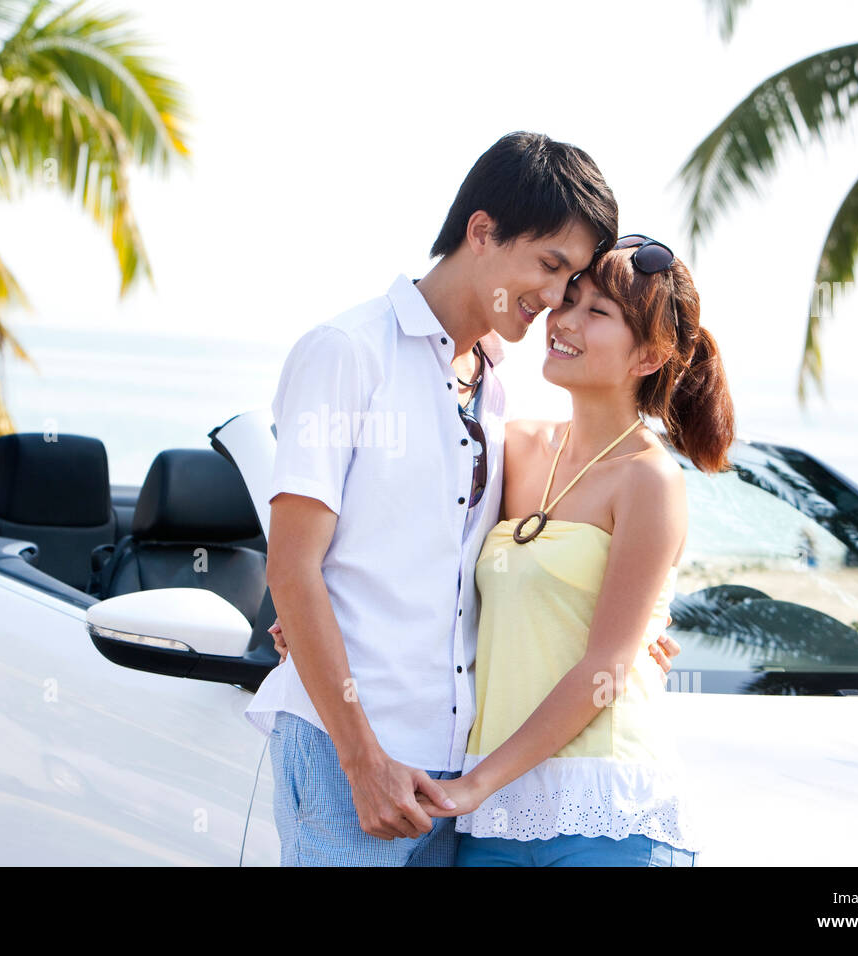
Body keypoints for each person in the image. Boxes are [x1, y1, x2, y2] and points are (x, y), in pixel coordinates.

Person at [244, 132, 682, 867]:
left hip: (463, 781)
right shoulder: (349, 352)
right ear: (482, 232)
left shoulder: (495, 390)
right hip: (350, 756)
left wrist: (640, 625)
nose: (554, 302)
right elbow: (292, 569)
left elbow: (525, 561)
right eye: (551, 268)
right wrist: (362, 761)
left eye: (573, 282)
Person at [413, 236, 736, 865]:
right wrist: (314, 609)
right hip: (499, 809)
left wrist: (473, 786)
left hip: (605, 807)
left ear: (649, 356)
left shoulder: (650, 478)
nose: (563, 321)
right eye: (570, 300)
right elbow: (422, 554)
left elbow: (606, 666)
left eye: (598, 312)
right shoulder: (516, 445)